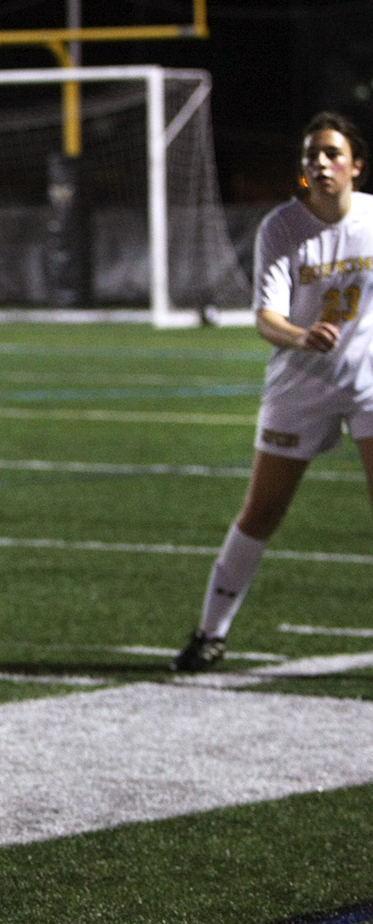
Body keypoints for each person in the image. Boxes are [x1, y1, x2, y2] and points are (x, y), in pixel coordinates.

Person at [171, 111, 373, 672]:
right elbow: (266, 318)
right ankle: (211, 632)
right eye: (312, 155)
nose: (320, 163)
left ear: (356, 165)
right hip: (299, 386)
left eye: (332, 153)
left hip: (367, 383)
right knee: (262, 511)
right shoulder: (282, 228)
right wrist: (302, 336)